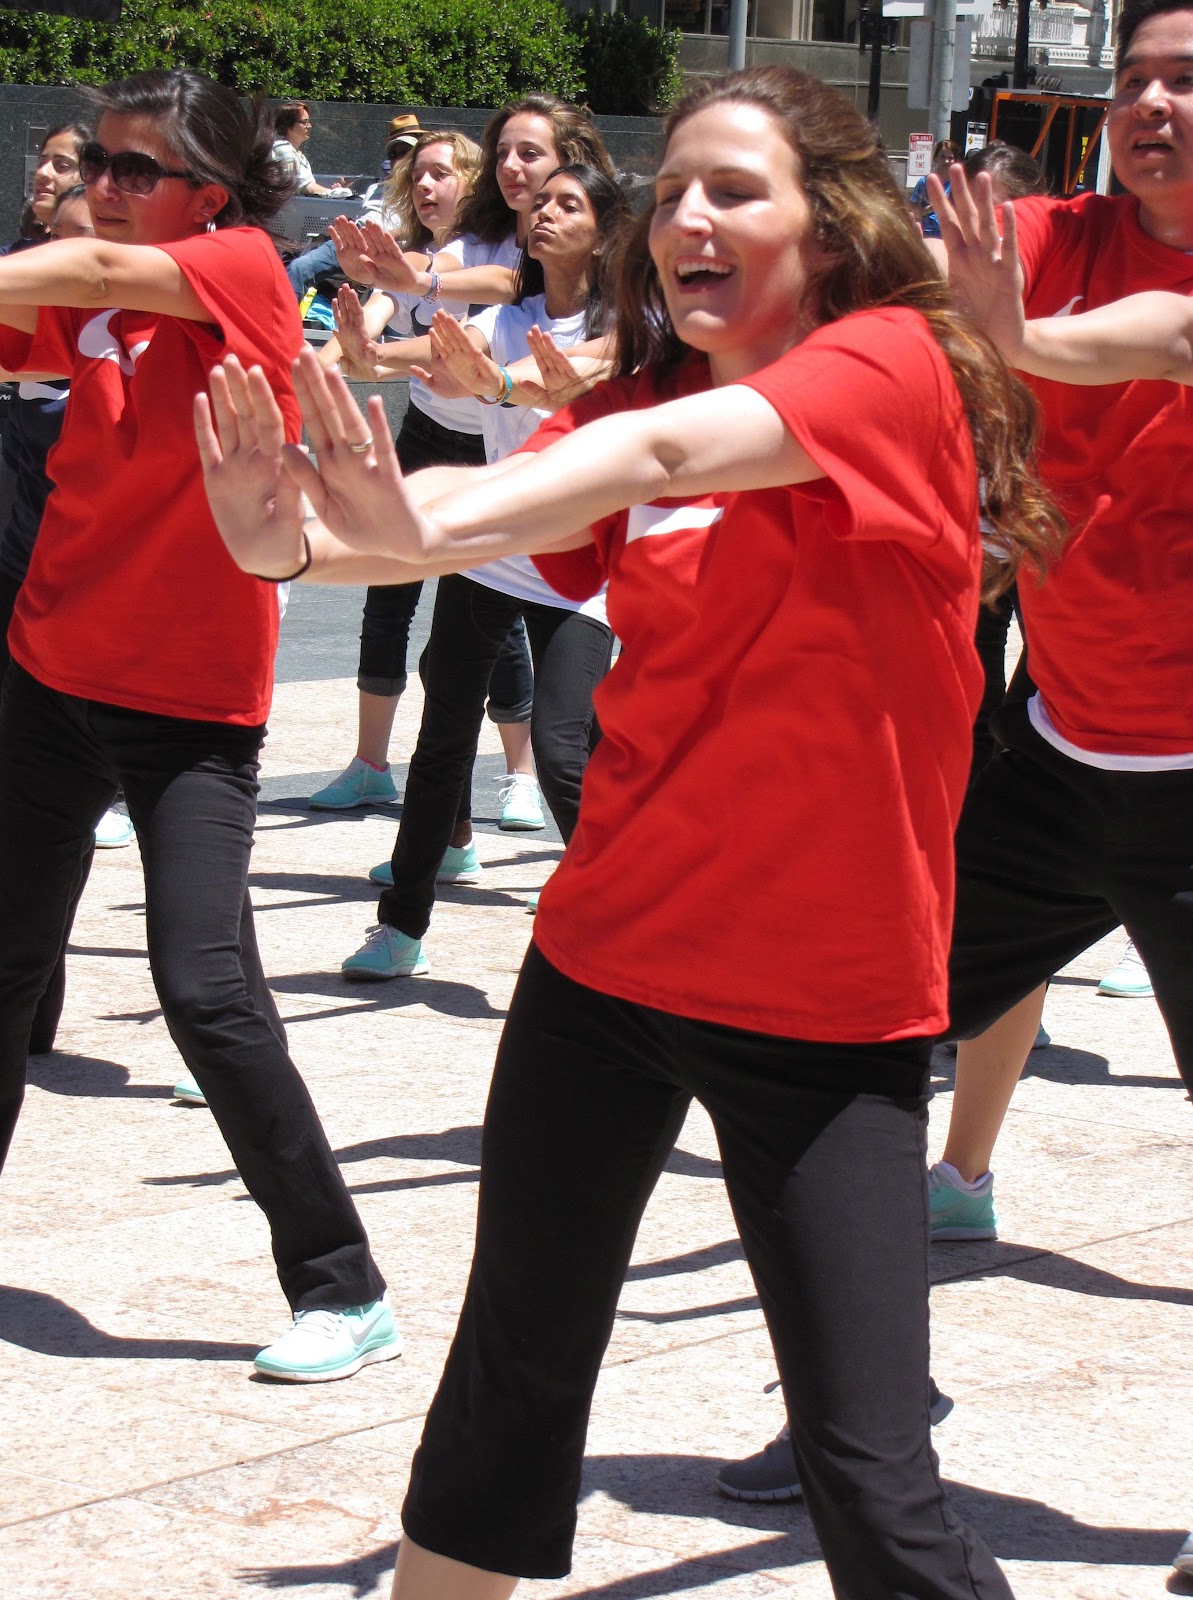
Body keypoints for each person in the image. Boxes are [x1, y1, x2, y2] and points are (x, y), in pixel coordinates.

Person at [199, 65, 1061, 1597]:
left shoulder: (891, 368)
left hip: (822, 1002)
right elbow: (517, 494)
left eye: (735, 189)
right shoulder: (645, 399)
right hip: (603, 974)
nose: (687, 220)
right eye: (672, 194)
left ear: (834, 219)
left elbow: (644, 468)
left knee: (867, 1469)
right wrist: (295, 544)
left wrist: (401, 521)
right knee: (508, 1390)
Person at [0, 67, 397, 1384]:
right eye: (93, 163)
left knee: (207, 994)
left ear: (209, 194)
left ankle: (342, 1285)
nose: (97, 187)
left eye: (132, 170)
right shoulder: (97, 304)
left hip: (188, 710)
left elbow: (68, 276)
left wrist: (59, 258)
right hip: (51, 676)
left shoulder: (238, 272)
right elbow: (39, 314)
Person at [923, 0, 1193, 1255]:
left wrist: (1015, 337)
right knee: (899, 1012)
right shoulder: (1048, 234)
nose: (1148, 104)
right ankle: (946, 1187)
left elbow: (1166, 335)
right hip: (1063, 738)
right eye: (1133, 79)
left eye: (1184, 81)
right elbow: (892, 296)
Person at [336, 162, 625, 977]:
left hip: (579, 568)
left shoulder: (629, 326)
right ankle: (401, 926)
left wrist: (498, 386)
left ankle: (625, 913)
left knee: (566, 752)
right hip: (494, 556)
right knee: (442, 737)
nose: (544, 215)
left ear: (604, 232)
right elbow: (420, 356)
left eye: (569, 205)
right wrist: (366, 355)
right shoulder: (509, 315)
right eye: (539, 205)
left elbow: (553, 378)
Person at [309, 131, 540, 830]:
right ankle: (370, 766)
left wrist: (376, 353)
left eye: (442, 173)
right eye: (419, 174)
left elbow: (454, 334)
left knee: (490, 615)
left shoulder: (501, 257)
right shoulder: (405, 260)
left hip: (488, 446)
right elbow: (362, 332)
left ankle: (521, 773)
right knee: (387, 595)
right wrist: (320, 368)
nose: (425, 185)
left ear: (473, 184)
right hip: (424, 440)